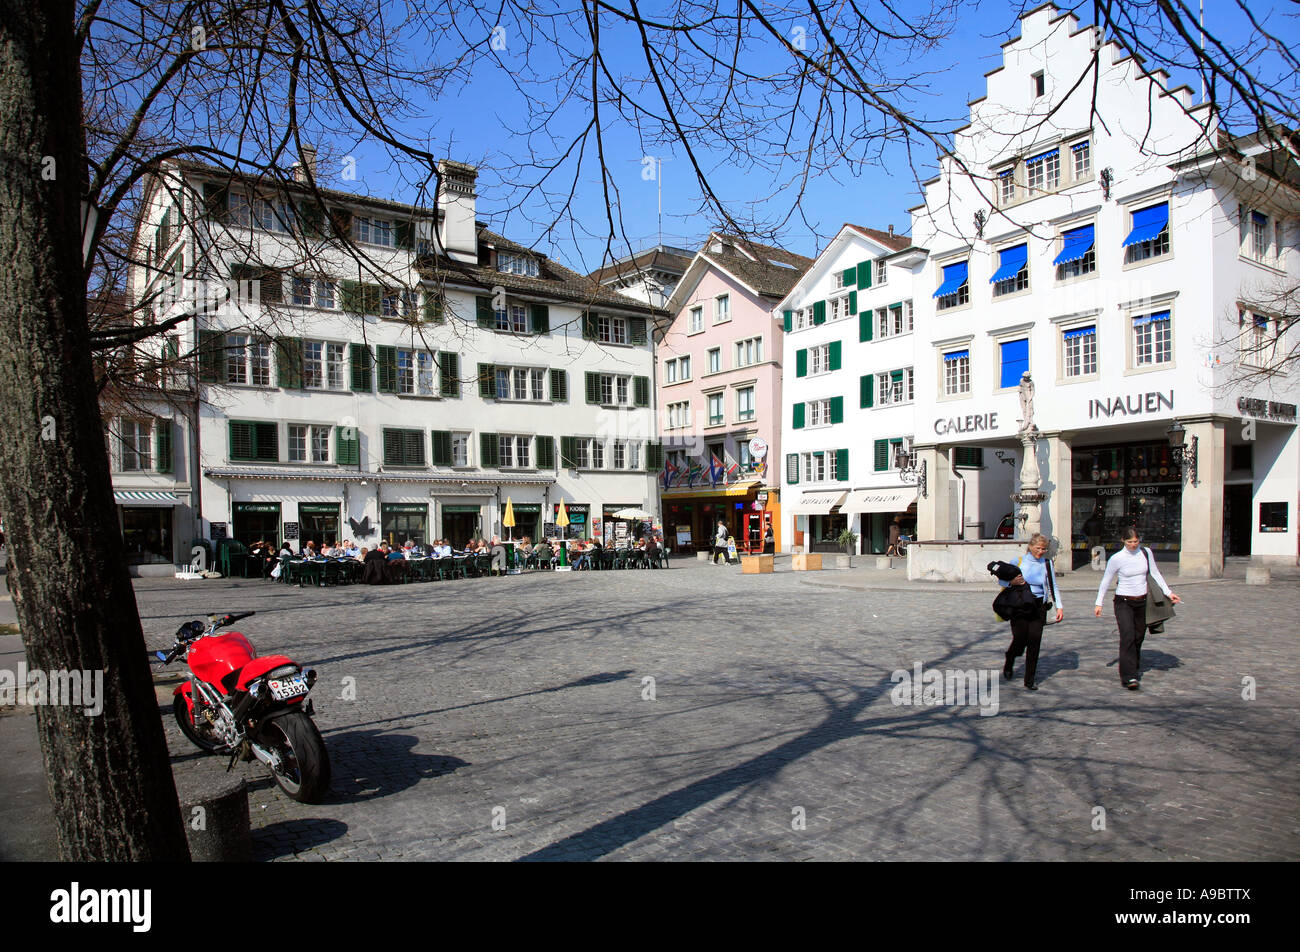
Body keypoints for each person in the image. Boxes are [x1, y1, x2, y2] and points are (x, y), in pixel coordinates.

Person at [1094, 527, 1181, 690]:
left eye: (1135, 541)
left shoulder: (1146, 553)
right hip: (1123, 601)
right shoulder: (1117, 558)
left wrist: (1169, 593)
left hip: (1142, 601)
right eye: (1129, 542)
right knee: (1127, 635)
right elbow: (1106, 580)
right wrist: (1099, 602)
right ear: (1123, 541)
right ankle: (1129, 676)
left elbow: (1155, 574)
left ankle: (1133, 664)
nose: (1133, 545)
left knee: (1138, 636)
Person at [999, 532, 1063, 691]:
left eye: (1044, 549)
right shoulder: (1019, 561)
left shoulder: (1047, 564)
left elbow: (1053, 585)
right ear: (1030, 546)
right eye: (1038, 548)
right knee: (1020, 639)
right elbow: (1002, 580)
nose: (1040, 551)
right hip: (1019, 604)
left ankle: (1030, 679)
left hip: (1038, 606)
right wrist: (1012, 582)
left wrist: (1059, 606)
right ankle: (1010, 658)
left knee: (1034, 641)